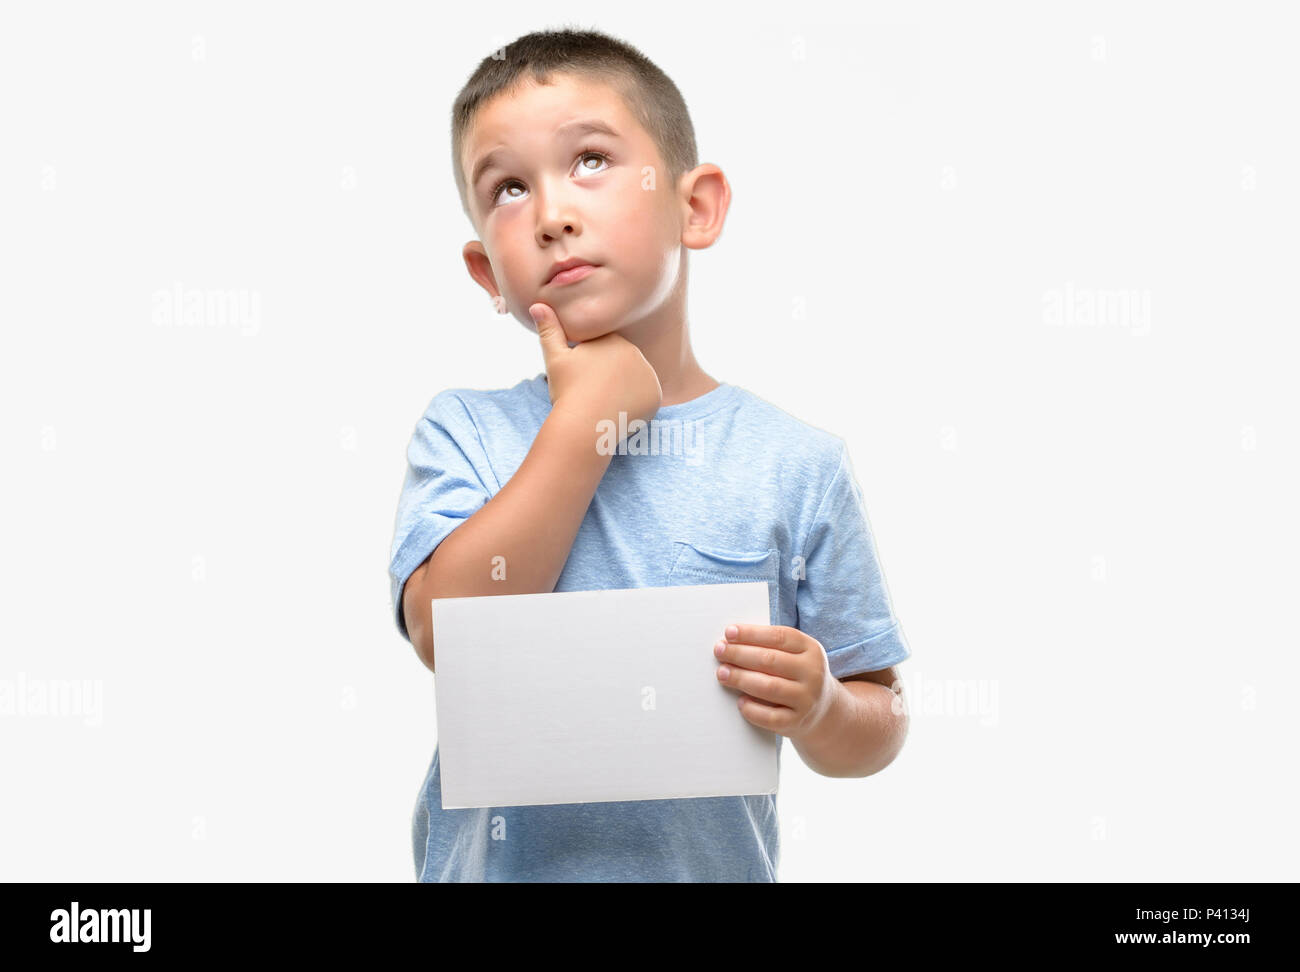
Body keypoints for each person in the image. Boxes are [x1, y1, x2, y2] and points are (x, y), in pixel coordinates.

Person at [388, 27, 911, 882]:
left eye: (591, 160)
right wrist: (586, 419)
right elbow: (448, 633)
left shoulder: (796, 461)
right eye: (510, 187)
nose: (553, 213)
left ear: (692, 207)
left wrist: (819, 706)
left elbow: (878, 717)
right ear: (489, 275)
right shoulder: (466, 433)